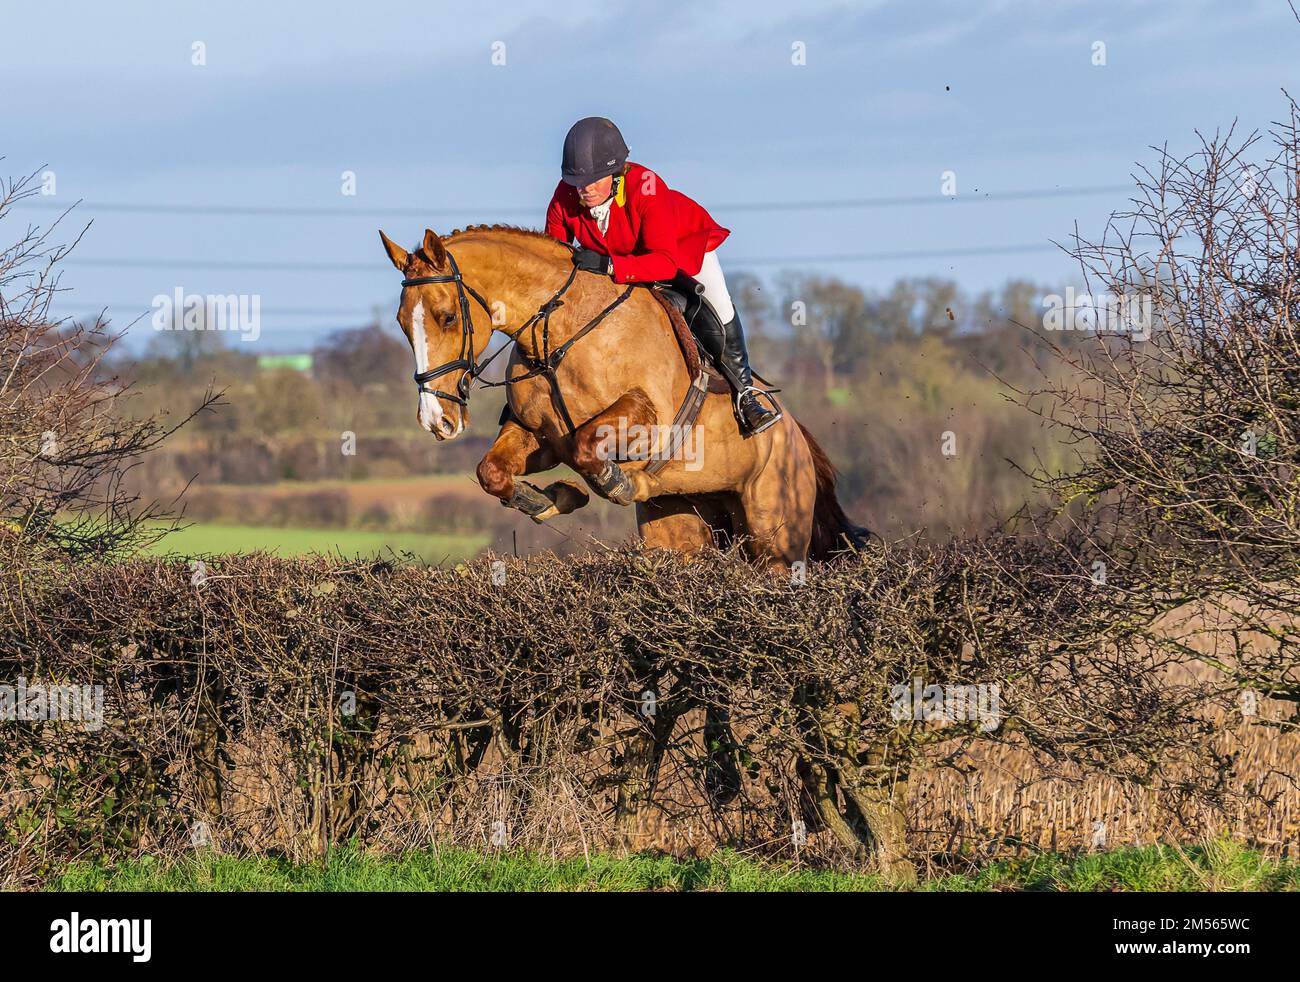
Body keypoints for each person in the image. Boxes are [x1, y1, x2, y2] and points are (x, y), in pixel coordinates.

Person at [544, 116, 781, 437]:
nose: (583, 188)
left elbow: (664, 264)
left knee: (718, 305)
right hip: (622, 260)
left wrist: (608, 266)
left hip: (681, 248)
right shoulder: (566, 195)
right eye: (576, 180)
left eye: (593, 179)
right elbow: (553, 260)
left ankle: (746, 393)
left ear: (615, 174)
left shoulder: (647, 187)